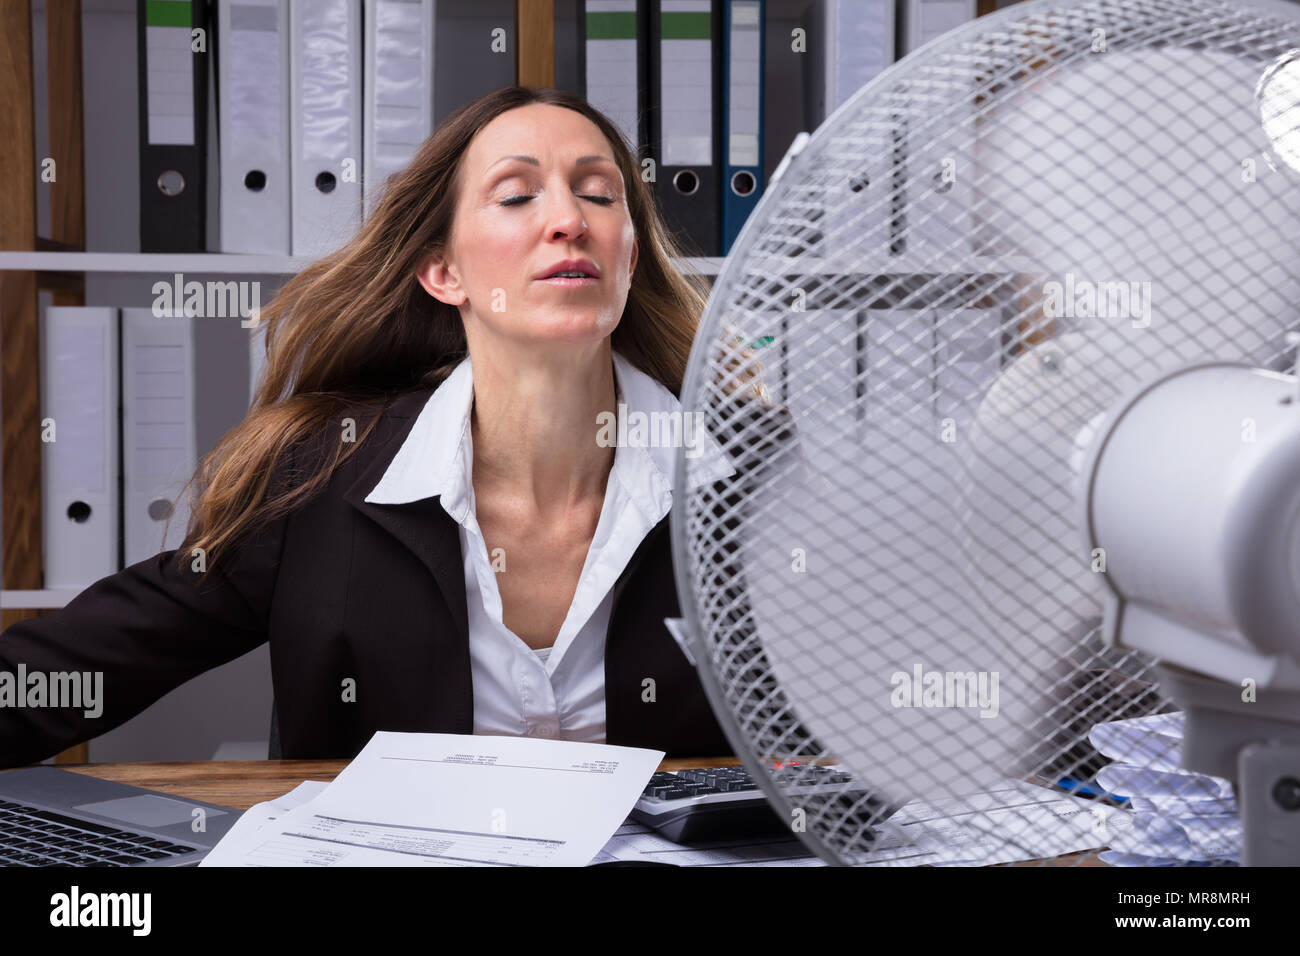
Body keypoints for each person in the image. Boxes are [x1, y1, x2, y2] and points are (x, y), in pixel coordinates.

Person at [0, 86, 793, 768]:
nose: (568, 220)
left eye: (599, 193)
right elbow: (79, 670)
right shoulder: (320, 476)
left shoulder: (751, 478)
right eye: (517, 195)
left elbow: (845, 730)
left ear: (627, 254)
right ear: (443, 272)